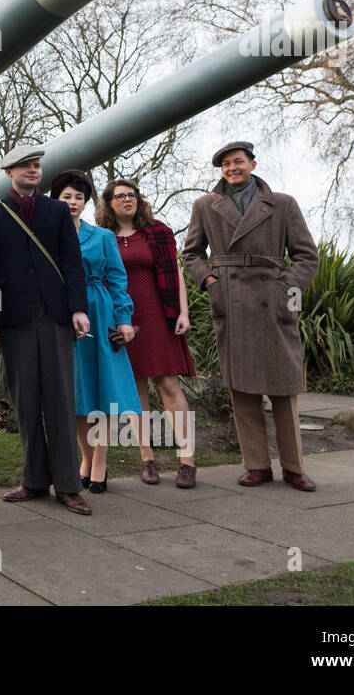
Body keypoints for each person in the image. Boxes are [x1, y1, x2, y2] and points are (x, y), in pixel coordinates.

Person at [182, 142, 320, 491]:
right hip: (231, 301)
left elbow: (307, 257)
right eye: (226, 164)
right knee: (241, 389)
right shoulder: (205, 206)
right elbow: (192, 255)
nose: (232, 168)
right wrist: (211, 283)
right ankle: (256, 465)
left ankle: (294, 467)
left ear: (252, 164)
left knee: (284, 389)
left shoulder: (283, 203)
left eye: (238, 162)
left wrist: (286, 290)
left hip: (273, 299)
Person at [0, 146, 93, 516]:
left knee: (60, 398)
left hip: (55, 314)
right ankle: (33, 480)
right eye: (25, 166)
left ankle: (68, 484)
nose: (33, 170)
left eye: (37, 165)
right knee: (25, 398)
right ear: (8, 171)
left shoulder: (57, 210)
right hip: (14, 317)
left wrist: (79, 308)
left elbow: (71, 262)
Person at [96, 178, 198, 488]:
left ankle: (187, 461)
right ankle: (147, 460)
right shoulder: (103, 237)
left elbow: (175, 272)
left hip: (157, 316)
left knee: (168, 385)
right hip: (121, 319)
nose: (127, 200)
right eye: (120, 196)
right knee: (135, 390)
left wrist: (183, 312)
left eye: (132, 195)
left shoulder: (158, 232)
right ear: (109, 203)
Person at [52, 169, 141, 495]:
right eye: (66, 197)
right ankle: (85, 462)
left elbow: (118, 281)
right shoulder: (49, 238)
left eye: (79, 197)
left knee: (102, 393)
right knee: (78, 394)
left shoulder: (103, 237)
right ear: (56, 201)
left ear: (86, 202)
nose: (73, 202)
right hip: (64, 317)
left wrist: (124, 319)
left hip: (100, 312)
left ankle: (99, 464)